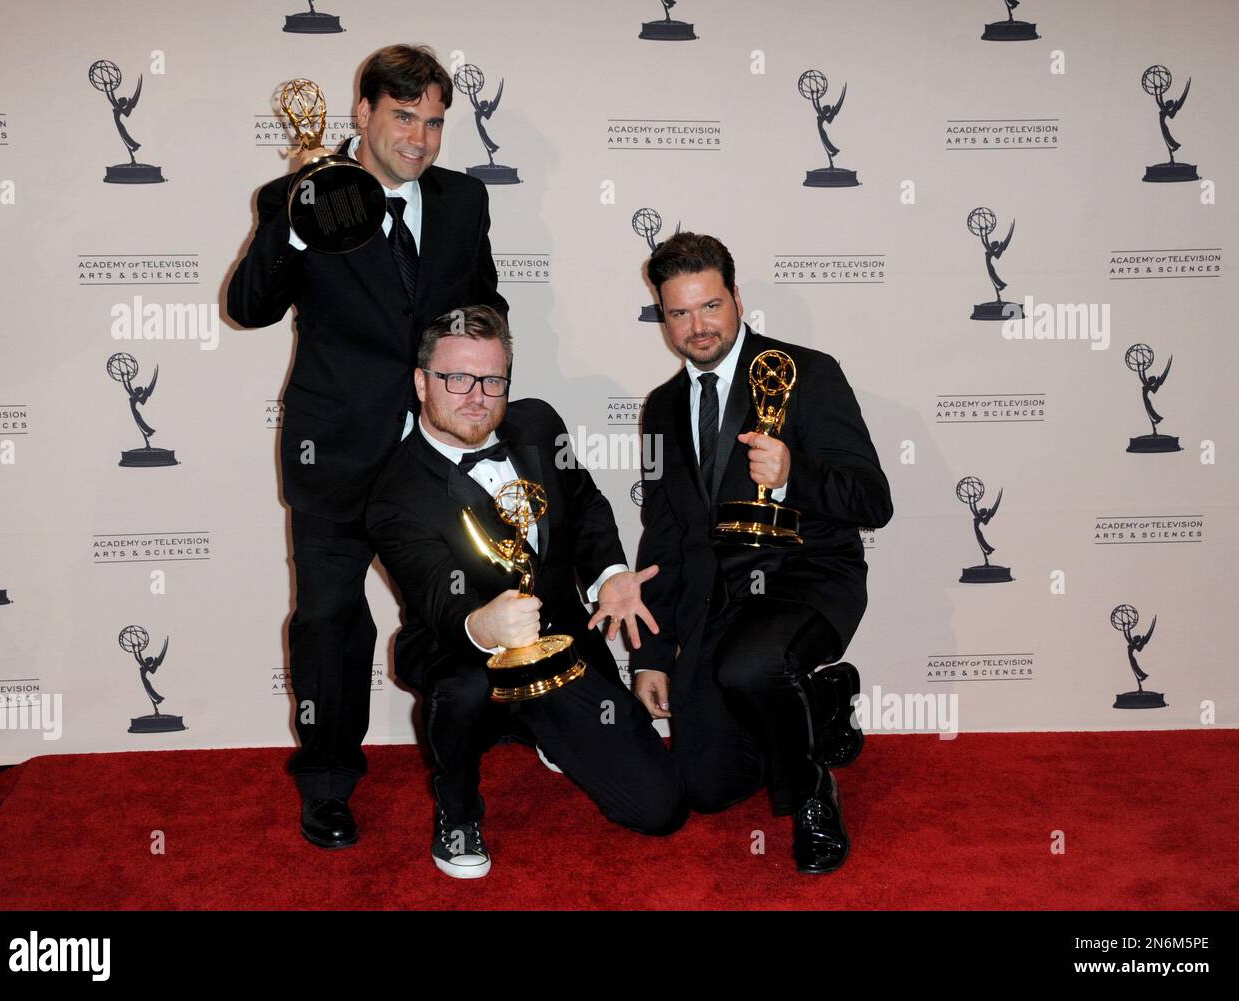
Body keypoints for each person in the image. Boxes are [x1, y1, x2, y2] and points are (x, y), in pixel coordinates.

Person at [226, 45, 507, 849]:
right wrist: (295, 213)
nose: (419, 138)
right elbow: (248, 306)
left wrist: (482, 384)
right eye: (403, 116)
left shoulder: (461, 201)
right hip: (336, 449)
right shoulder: (296, 196)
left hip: (435, 454)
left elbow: (481, 299)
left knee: (465, 601)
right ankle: (326, 781)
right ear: (362, 114)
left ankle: (482, 741)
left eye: (434, 121)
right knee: (329, 621)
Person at [365, 305, 686, 878]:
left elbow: (584, 502)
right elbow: (439, 596)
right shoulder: (395, 494)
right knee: (461, 689)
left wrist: (610, 574)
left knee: (661, 810)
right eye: (455, 378)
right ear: (421, 381)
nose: (476, 396)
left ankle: (539, 726)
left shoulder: (537, 424)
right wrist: (485, 628)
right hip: (460, 650)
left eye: (493, 380)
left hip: (561, 643)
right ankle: (457, 812)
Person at [630, 232, 893, 874]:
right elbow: (663, 535)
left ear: (737, 299)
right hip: (721, 602)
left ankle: (813, 796)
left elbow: (873, 501)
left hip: (808, 576)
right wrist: (653, 656)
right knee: (709, 789)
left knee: (753, 666)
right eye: (679, 312)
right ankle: (821, 701)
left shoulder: (808, 372)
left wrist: (792, 474)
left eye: (710, 306)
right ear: (662, 315)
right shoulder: (662, 409)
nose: (697, 327)